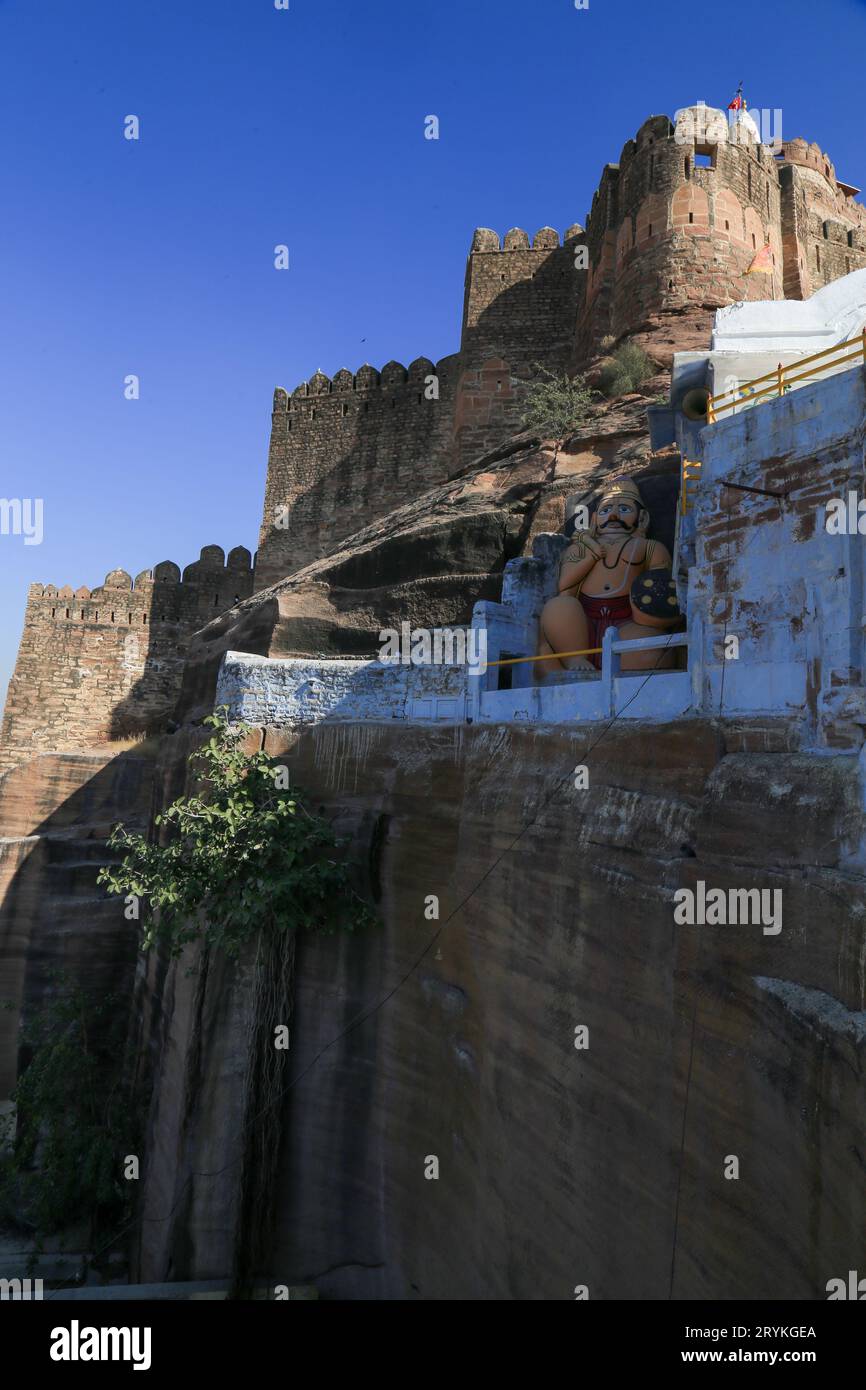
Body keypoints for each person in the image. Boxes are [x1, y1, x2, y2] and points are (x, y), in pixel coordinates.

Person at [537, 477, 675, 674]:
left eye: (625, 510)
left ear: (642, 518)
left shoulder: (650, 547)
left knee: (653, 652)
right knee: (558, 606)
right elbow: (565, 588)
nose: (613, 516)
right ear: (594, 519)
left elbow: (658, 593)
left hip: (628, 621)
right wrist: (592, 554)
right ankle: (575, 657)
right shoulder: (579, 549)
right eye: (605, 510)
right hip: (582, 626)